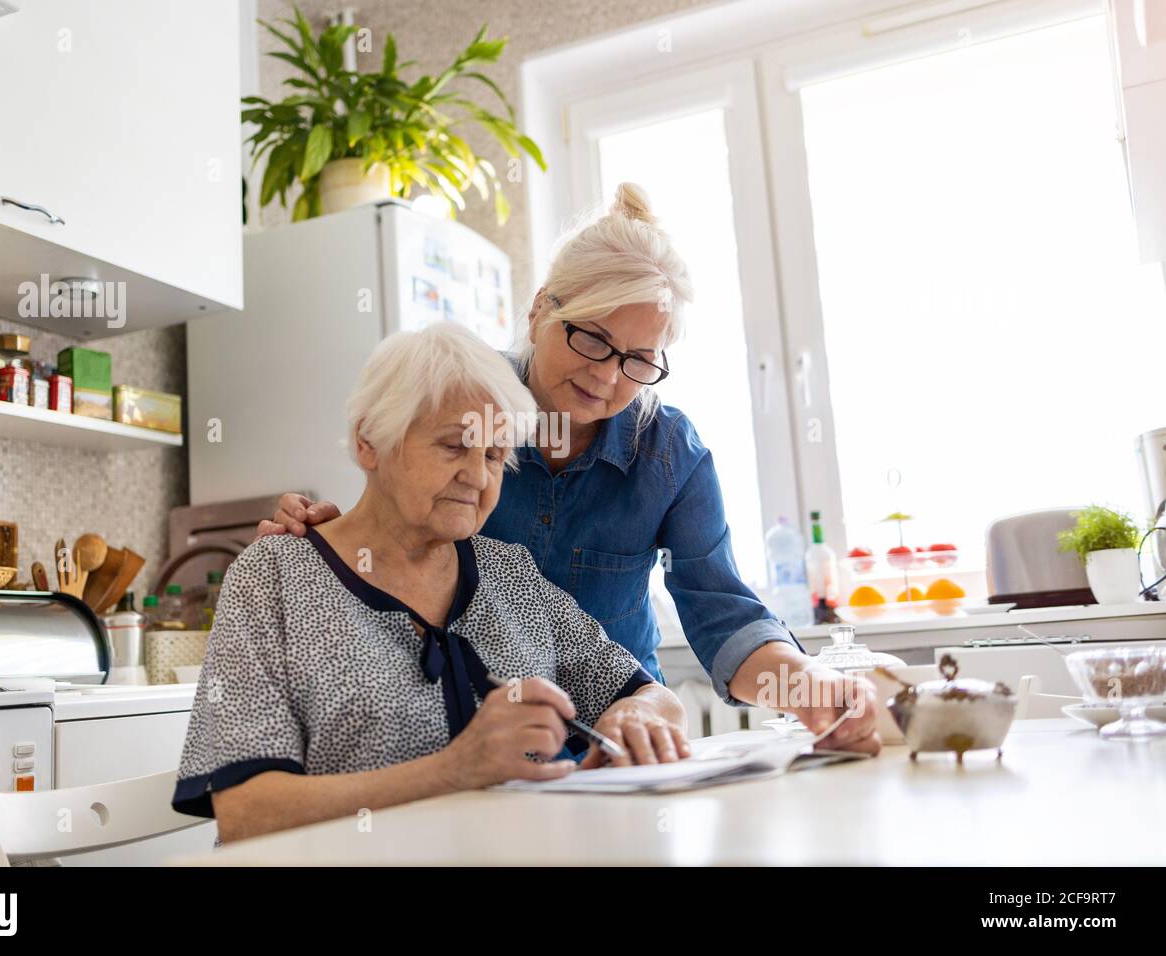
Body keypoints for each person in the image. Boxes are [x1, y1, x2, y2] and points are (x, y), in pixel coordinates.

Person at [260, 182, 880, 755]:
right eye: (591, 338)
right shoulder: (466, 402)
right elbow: (391, 534)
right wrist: (323, 545)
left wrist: (809, 688)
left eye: (639, 359)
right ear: (539, 312)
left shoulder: (668, 453)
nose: (607, 376)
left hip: (619, 742)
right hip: (472, 752)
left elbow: (724, 616)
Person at [174, 323, 688, 842]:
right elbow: (245, 810)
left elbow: (650, 693)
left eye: (493, 454)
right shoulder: (274, 575)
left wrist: (638, 720)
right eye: (453, 446)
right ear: (369, 441)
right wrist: (454, 769)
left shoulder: (509, 573)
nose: (479, 477)